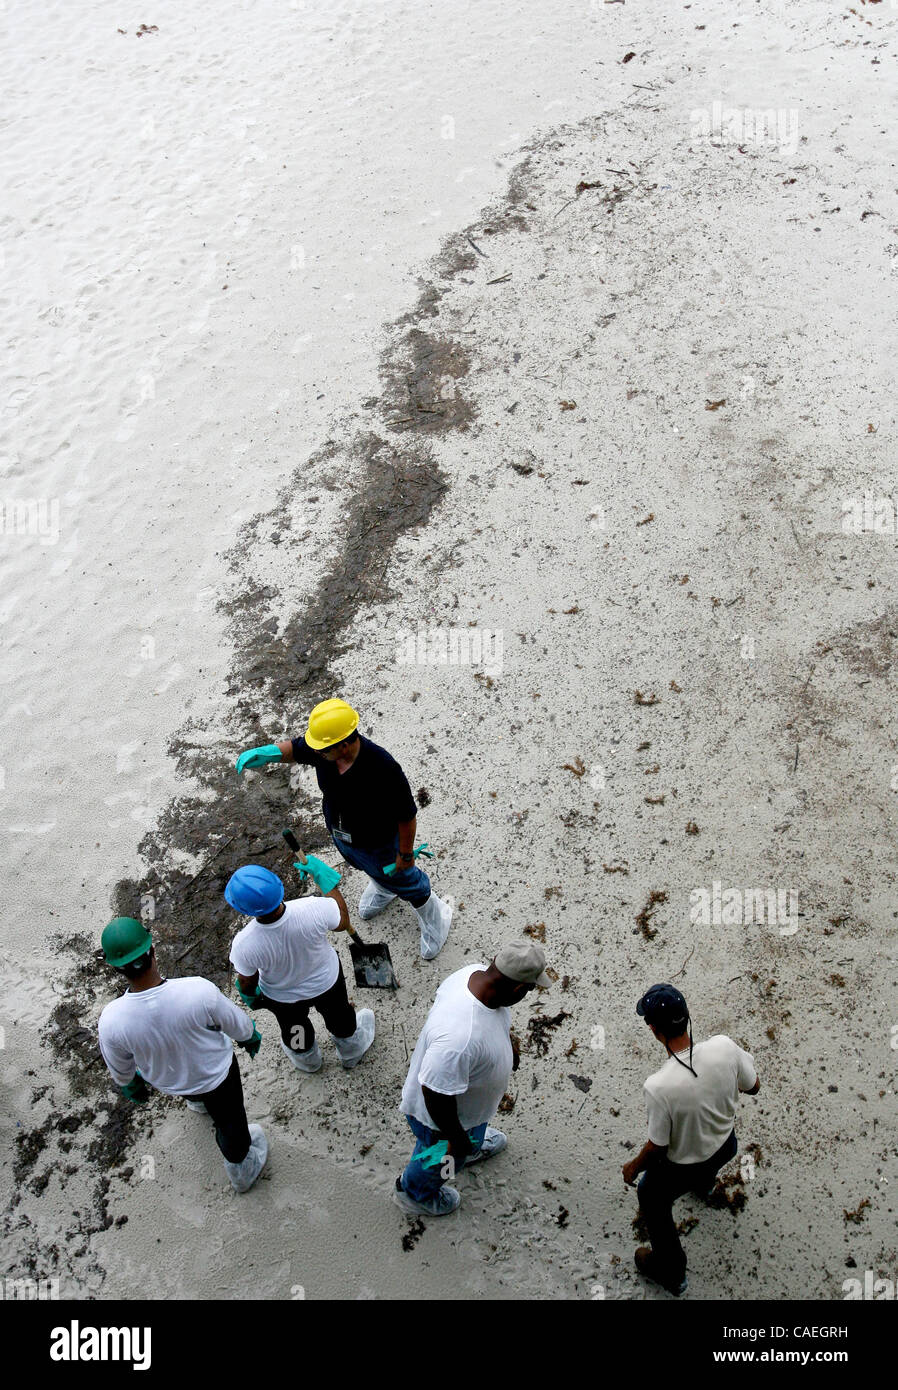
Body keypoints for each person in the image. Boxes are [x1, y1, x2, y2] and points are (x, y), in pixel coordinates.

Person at [234, 698, 451, 959]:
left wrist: (405, 855)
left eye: (322, 750)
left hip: (380, 842)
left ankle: (434, 916)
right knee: (364, 866)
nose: (316, 753)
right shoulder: (324, 749)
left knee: (406, 881)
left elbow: (406, 816)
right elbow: (295, 748)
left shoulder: (383, 768)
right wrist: (267, 753)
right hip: (344, 835)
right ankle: (383, 888)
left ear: (345, 745)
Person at [97, 917, 268, 1194]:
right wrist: (249, 1037)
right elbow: (237, 1024)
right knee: (230, 1124)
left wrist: (131, 1085)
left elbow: (122, 1071)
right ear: (152, 951)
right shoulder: (197, 990)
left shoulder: (111, 1021)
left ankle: (198, 1103)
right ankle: (241, 1170)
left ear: (116, 969)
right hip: (218, 1077)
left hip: (172, 1082)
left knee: (195, 1095)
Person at [622, 983, 761, 1295]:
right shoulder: (724, 1047)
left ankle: (672, 1273)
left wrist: (633, 1167)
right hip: (726, 1146)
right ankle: (706, 1188)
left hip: (681, 1168)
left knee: (653, 1200)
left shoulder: (658, 1086)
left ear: (653, 1029)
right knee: (707, 1169)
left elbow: (657, 1148)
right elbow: (754, 1086)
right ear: (687, 1018)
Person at [394, 941, 550, 1217]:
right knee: (439, 1157)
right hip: (440, 1123)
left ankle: (471, 1143)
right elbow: (435, 1095)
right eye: (530, 989)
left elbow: (494, 1019)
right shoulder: (460, 1039)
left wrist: (507, 1042)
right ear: (518, 989)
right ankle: (415, 1192)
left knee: (463, 1145)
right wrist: (457, 1140)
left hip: (468, 1110)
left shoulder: (476, 975)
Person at [225, 862, 375, 1073]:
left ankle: (308, 1060)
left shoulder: (244, 943)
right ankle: (351, 1052)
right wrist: (325, 879)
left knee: (295, 1027)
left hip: (283, 997)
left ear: (241, 908)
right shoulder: (313, 907)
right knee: (339, 1017)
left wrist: (250, 995)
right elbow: (342, 921)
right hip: (327, 983)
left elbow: (247, 981)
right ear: (279, 887)